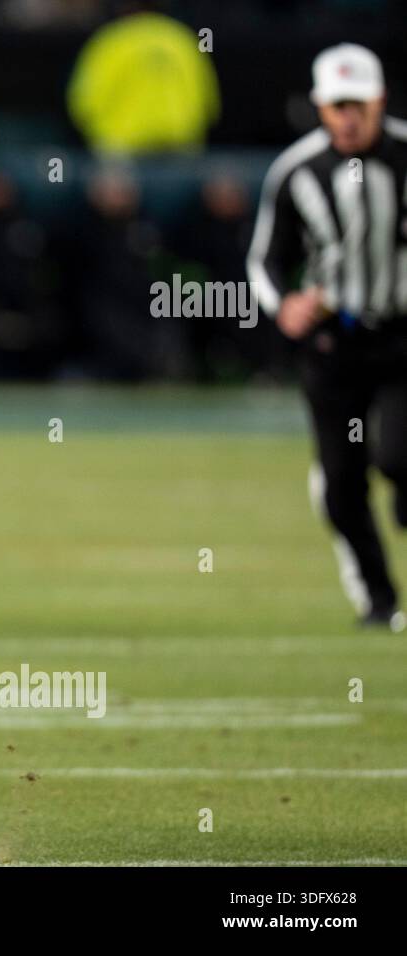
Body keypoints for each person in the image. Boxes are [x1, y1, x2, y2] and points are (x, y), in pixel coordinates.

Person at [246, 43, 407, 631]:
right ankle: (380, 603)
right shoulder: (296, 171)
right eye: (336, 105)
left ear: (378, 102)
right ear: (319, 108)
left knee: (397, 454)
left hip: (400, 338)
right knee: (341, 486)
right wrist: (283, 305)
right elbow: (264, 261)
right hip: (334, 346)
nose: (347, 117)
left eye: (356, 104)